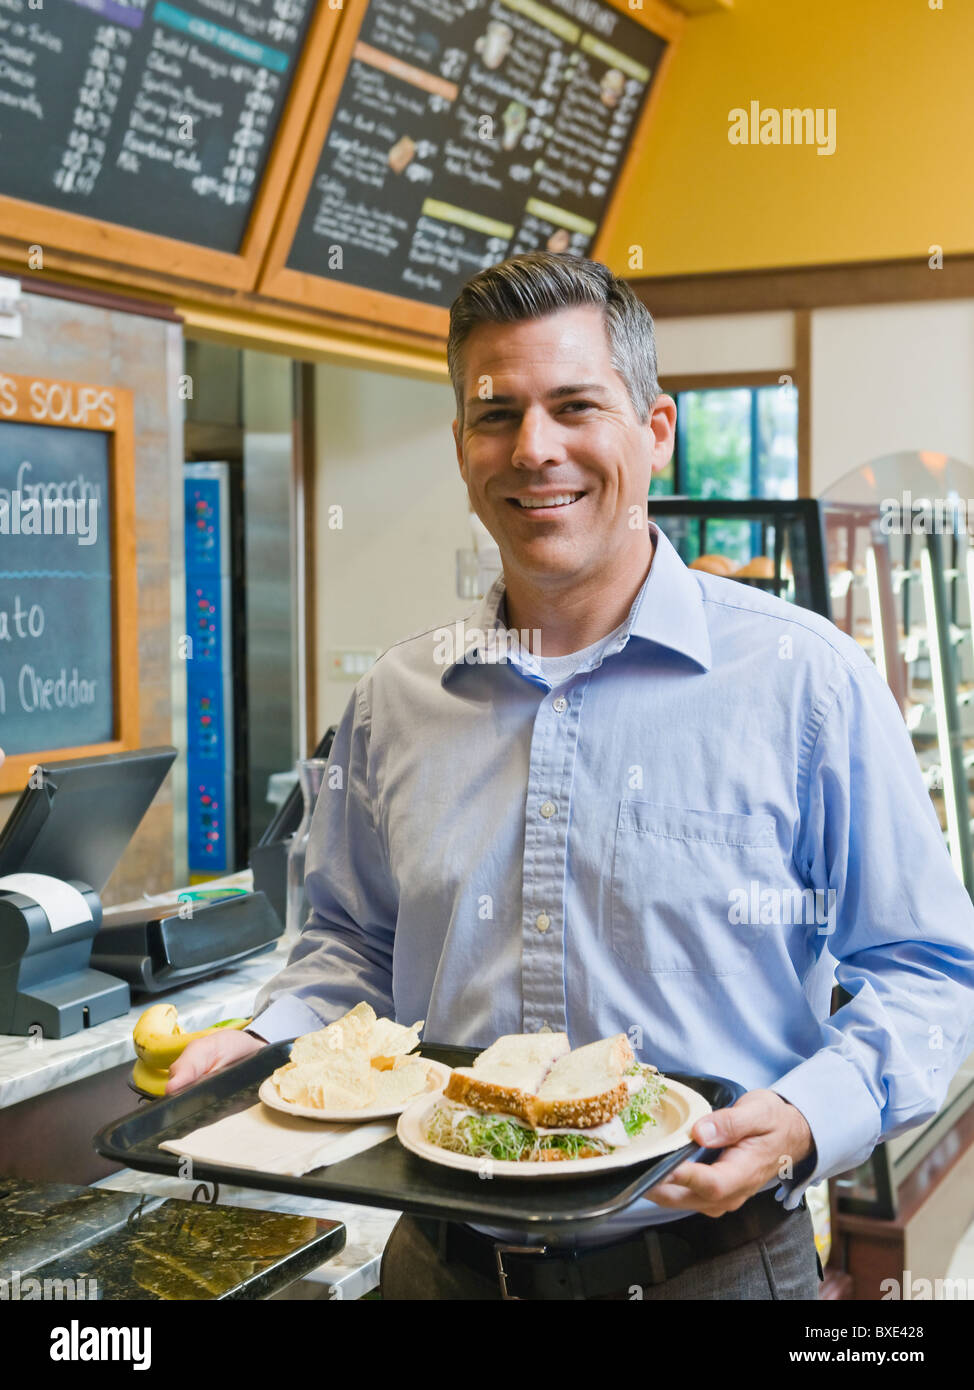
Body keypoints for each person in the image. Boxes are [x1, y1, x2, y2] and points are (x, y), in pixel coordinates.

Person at [168, 252, 974, 1300]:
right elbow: (352, 943)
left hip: (709, 1269)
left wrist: (808, 1118)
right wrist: (261, 1036)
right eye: (494, 414)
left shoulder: (804, 683)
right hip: (437, 1271)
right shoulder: (394, 700)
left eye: (574, 406)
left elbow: (926, 968)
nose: (533, 449)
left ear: (654, 431)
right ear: (461, 445)